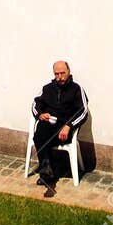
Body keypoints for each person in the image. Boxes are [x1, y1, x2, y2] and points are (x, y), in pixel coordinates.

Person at [30, 59, 88, 192]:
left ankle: (48, 172)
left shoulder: (76, 89)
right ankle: (46, 169)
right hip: (49, 126)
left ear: (68, 72)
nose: (60, 77)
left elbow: (83, 111)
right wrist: (40, 114)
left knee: (42, 137)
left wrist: (69, 126)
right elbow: (35, 104)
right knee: (40, 131)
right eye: (56, 74)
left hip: (64, 130)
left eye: (62, 73)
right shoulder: (47, 88)